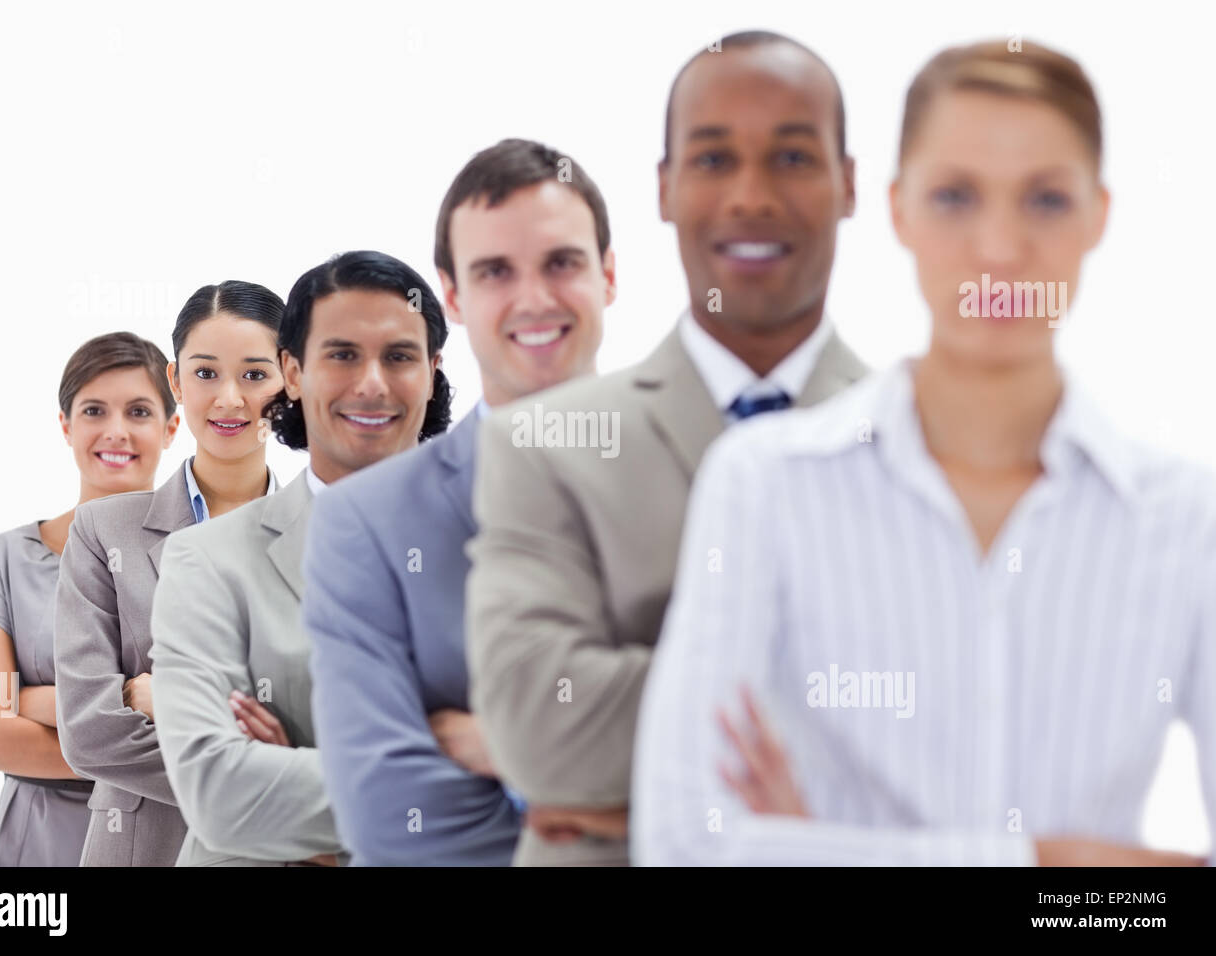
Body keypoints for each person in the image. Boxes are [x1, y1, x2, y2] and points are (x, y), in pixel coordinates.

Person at [633, 38, 1215, 867]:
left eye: (1045, 200)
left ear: (1099, 215)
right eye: (955, 197)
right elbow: (684, 842)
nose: (1000, 249)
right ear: (899, 209)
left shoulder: (1187, 520)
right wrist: (1057, 868)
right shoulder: (766, 484)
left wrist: (821, 852)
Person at [465, 31, 868, 866]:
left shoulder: (929, 435)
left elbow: (988, 729)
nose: (751, 195)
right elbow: (541, 732)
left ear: (849, 184)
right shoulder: (540, 443)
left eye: (792, 157)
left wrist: (635, 789)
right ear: (667, 188)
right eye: (715, 159)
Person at [302, 140, 615, 865]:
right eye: (495, 271)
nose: (534, 298)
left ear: (609, 274)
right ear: (452, 297)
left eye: (562, 263)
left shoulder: (710, 474)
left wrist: (504, 745)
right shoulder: (366, 523)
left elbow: (763, 759)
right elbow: (389, 813)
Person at [151, 250, 452, 866]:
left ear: (431, 371)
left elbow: (557, 768)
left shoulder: (496, 545)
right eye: (341, 355)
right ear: (292, 371)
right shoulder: (208, 561)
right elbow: (221, 794)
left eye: (398, 356)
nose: (371, 382)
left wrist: (293, 776)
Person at [54, 280, 285, 866]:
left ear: (293, 380)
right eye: (205, 374)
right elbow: (89, 732)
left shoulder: (334, 534)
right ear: (176, 382)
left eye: (255, 375)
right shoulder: (103, 531)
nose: (229, 399)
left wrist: (161, 695)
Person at [0, 332, 179, 866]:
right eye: (94, 410)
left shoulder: (200, 554)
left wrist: (31, 700)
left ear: (172, 427)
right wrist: (126, 703)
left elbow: (220, 729)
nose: (116, 431)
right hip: (37, 847)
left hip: (161, 839)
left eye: (140, 410)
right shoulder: (8, 557)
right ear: (66, 425)